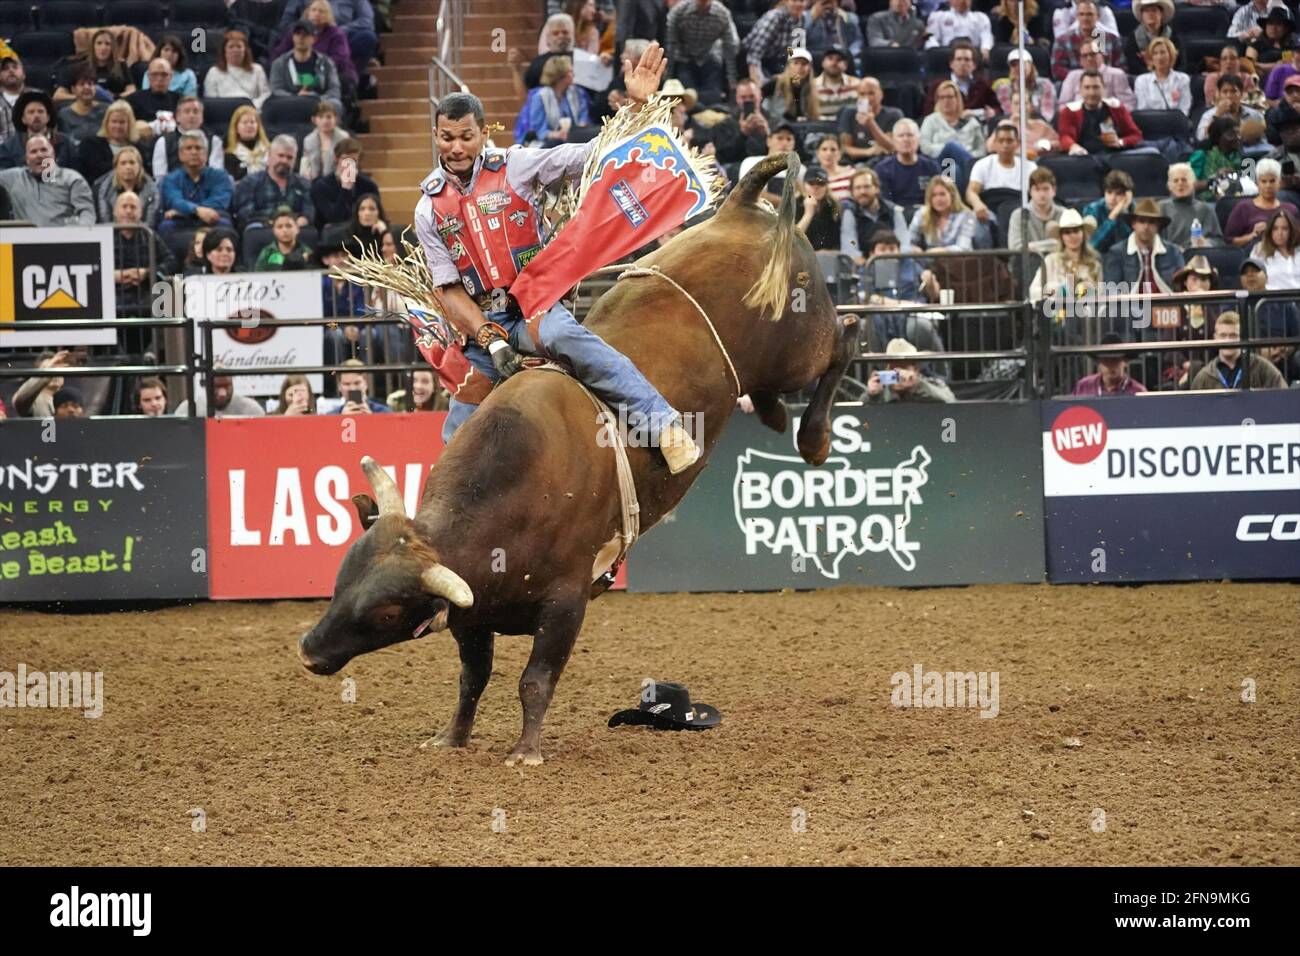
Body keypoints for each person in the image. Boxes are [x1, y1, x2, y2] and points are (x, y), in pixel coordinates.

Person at [416, 47, 702, 471]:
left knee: (572, 342)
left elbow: (592, 155)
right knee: (458, 425)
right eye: (446, 137)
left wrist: (636, 105)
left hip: (532, 305)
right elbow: (448, 290)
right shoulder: (427, 208)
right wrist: (489, 339)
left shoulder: (517, 165)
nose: (456, 147)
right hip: (483, 327)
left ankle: (664, 427)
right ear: (436, 135)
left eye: (466, 136)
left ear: (482, 133)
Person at [0, 135, 95, 225]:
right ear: (27, 159)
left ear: (53, 155)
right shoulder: (13, 178)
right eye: (33, 151)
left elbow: (87, 213)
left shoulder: (72, 179)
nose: (39, 155)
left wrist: (79, 235)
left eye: (44, 150)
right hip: (24, 240)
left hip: (63, 238)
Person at [273, 2, 359, 95]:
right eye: (313, 10)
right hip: (297, 71)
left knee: (342, 81)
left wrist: (315, 73)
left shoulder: (336, 34)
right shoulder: (295, 31)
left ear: (328, 15)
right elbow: (279, 53)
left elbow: (340, 60)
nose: (317, 13)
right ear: (308, 13)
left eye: (321, 11)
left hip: (327, 72)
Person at [233, 135, 314, 232]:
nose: (284, 161)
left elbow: (309, 210)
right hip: (262, 228)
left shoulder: (303, 183)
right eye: (280, 155)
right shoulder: (250, 181)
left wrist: (301, 221)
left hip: (295, 229)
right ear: (269, 156)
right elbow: (245, 213)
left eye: (289, 158)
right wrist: (274, 224)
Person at [664, 0, 738, 107]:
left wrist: (732, 81)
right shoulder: (679, 11)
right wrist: (668, 77)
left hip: (709, 57)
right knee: (688, 96)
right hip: (684, 57)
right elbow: (671, 44)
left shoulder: (722, 14)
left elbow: (729, 47)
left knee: (713, 98)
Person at [1104, 198, 1186, 294]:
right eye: (1142, 221)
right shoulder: (1117, 253)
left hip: (1167, 306)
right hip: (1130, 306)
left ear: (1158, 226)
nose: (1146, 227)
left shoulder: (1173, 252)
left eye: (1151, 222)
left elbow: (1182, 288)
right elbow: (1111, 292)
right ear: (1133, 224)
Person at [159, 130, 234, 235]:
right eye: (189, 148)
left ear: (206, 154)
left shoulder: (220, 176)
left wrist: (188, 211)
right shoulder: (171, 179)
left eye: (198, 148)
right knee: (165, 228)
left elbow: (220, 202)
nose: (194, 152)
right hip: (181, 222)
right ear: (180, 154)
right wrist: (197, 211)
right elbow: (175, 201)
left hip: (212, 218)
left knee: (225, 226)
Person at [1190, 310, 1288, 389]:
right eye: (1223, 335)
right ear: (1215, 337)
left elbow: (1283, 398)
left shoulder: (1262, 368)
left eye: (1233, 335)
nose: (1228, 340)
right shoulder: (1204, 377)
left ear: (1242, 337)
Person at [966, 122, 1037, 232]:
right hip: (990, 210)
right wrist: (977, 204)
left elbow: (1036, 193)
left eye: (1009, 141)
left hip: (1018, 209)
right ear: (995, 143)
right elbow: (971, 192)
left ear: (1017, 143)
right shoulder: (982, 164)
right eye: (1001, 141)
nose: (1005, 145)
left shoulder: (1030, 167)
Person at [1057, 72, 1144, 161]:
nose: (1091, 93)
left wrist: (1120, 142)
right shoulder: (1070, 111)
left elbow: (1136, 135)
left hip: (1115, 156)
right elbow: (1064, 137)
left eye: (1096, 87)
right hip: (1083, 158)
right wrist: (1073, 146)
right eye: (1087, 88)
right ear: (1080, 90)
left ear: (1103, 88)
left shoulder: (1117, 108)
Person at [269, 19, 346, 119]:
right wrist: (297, 98)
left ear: (314, 39)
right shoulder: (279, 63)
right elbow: (277, 90)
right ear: (293, 37)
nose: (301, 38)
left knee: (336, 105)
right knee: (271, 105)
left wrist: (314, 99)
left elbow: (334, 90)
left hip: (319, 103)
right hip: (290, 103)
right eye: (297, 34)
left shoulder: (326, 62)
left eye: (305, 34)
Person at [919, 80, 986, 192]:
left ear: (957, 99)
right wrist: (949, 148)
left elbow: (981, 149)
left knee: (955, 169)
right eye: (942, 97)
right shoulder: (930, 120)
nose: (946, 101)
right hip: (939, 163)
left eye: (950, 97)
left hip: (958, 167)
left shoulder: (971, 122)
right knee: (951, 147)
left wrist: (964, 152)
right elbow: (925, 147)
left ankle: (956, 204)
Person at [514, 55, 592, 145]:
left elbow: (583, 118)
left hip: (575, 137)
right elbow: (538, 130)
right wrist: (557, 135)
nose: (573, 74)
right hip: (548, 141)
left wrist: (578, 132)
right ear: (560, 76)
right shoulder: (540, 97)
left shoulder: (577, 92)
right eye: (570, 72)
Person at [841, 167, 911, 266]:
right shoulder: (850, 213)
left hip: (895, 262)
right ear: (852, 192)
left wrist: (892, 259)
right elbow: (849, 246)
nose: (862, 192)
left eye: (867, 187)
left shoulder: (893, 210)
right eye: (858, 188)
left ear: (876, 188)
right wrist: (866, 263)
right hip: (864, 266)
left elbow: (904, 244)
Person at [1030, 208, 1104, 301]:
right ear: (1061, 236)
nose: (1072, 236)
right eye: (1067, 232)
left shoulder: (1094, 264)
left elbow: (1101, 297)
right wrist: (1058, 289)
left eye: (1076, 231)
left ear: (1083, 233)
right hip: (1056, 312)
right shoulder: (1050, 261)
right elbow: (1033, 292)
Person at [1224, 158, 1298, 245]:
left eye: (1272, 181)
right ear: (1257, 184)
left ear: (1280, 183)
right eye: (1264, 181)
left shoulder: (1291, 209)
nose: (1268, 186)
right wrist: (1253, 235)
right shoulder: (1243, 208)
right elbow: (1230, 242)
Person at [311, 137, 379, 228]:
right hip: (331, 235)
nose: (348, 165)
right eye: (345, 159)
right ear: (336, 158)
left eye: (353, 161)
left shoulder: (369, 186)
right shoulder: (321, 186)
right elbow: (334, 218)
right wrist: (346, 189)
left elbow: (375, 216)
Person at [0, 90, 77, 170]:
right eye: (31, 112)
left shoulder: (65, 143)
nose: (36, 115)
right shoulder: (9, 147)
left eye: (40, 111)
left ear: (48, 117)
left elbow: (76, 172)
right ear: (23, 119)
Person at [52, 28, 135, 103]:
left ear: (112, 48)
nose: (103, 48)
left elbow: (132, 90)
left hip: (113, 106)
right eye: (99, 43)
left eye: (107, 44)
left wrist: (116, 96)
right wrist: (81, 97)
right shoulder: (79, 67)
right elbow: (58, 96)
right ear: (93, 46)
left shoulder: (121, 65)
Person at [875, 118, 942, 208]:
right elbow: (885, 203)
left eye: (910, 135)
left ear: (918, 139)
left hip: (927, 216)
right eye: (901, 136)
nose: (905, 139)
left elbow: (939, 198)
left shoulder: (932, 166)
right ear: (894, 141)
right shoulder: (883, 169)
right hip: (896, 217)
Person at [151, 97, 223, 179]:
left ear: (202, 117)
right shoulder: (164, 141)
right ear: (177, 117)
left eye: (195, 112)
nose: (191, 115)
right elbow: (160, 176)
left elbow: (216, 173)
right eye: (187, 111)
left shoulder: (214, 140)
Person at [866, 338, 955, 403]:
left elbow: (951, 402)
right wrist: (871, 395)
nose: (899, 373)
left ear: (916, 369)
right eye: (894, 368)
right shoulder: (881, 389)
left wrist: (917, 385)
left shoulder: (932, 385)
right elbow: (862, 418)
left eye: (904, 367)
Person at [1051, 0, 1122, 82]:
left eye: (1089, 14)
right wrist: (1082, 78)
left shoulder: (1108, 38)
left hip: (1107, 83)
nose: (1085, 18)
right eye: (1081, 14)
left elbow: (1120, 65)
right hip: (1074, 84)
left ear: (1098, 16)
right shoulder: (1063, 40)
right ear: (1077, 17)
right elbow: (1057, 69)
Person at [921, 41, 996, 117]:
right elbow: (928, 113)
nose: (962, 63)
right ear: (951, 64)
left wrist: (989, 112)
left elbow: (996, 108)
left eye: (967, 59)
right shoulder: (938, 85)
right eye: (959, 59)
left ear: (974, 65)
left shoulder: (983, 84)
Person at [1159, 163, 1224, 251]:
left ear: (1193, 183)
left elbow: (1218, 241)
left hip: (1199, 256)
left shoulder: (1205, 209)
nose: (1180, 183)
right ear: (1169, 186)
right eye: (1175, 181)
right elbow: (1154, 240)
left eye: (1184, 180)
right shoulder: (1160, 208)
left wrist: (1205, 243)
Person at [75, 99, 141, 185]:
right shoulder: (91, 145)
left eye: (122, 122)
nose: (117, 126)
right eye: (114, 122)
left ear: (129, 125)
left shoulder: (139, 148)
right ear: (106, 123)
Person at [1059, 40, 1136, 112]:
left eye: (1093, 54)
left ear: (1102, 55)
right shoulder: (1072, 76)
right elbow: (1063, 105)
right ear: (1080, 60)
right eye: (1085, 55)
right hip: (1078, 119)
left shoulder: (1116, 74)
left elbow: (1129, 104)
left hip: (1109, 119)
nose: (1089, 58)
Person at [837, 76, 902, 163]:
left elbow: (891, 148)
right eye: (862, 94)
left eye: (871, 93)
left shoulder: (894, 114)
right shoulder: (849, 113)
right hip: (855, 162)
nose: (867, 98)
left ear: (881, 94)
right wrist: (868, 152)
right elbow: (845, 148)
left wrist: (871, 123)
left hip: (884, 161)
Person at [743, 0, 806, 86]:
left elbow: (792, 51)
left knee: (795, 82)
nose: (798, 4)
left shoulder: (801, 19)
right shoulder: (775, 17)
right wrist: (757, 83)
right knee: (767, 87)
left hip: (775, 60)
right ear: (787, 2)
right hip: (751, 60)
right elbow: (754, 53)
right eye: (794, 1)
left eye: (801, 1)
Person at [1239, 255, 1300, 340]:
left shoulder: (1284, 304)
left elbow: (1297, 337)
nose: (1250, 275)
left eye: (1255, 270)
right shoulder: (1233, 306)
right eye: (1245, 272)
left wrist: (1284, 348)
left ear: (1267, 278)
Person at [908, 176, 976, 252]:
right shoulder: (922, 213)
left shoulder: (966, 215)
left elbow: (964, 248)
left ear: (952, 196)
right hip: (928, 261)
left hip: (957, 261)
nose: (938, 199)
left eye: (942, 194)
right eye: (934, 195)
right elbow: (908, 242)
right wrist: (914, 249)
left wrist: (941, 251)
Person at [93, 145, 158, 225]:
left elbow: (151, 221)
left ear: (140, 166)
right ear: (116, 167)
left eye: (132, 162)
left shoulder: (151, 190)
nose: (128, 167)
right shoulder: (102, 190)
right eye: (123, 163)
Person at [204, 30, 271, 107]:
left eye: (239, 47)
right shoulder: (214, 72)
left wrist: (252, 106)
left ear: (245, 50)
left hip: (251, 112)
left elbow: (265, 94)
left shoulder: (257, 70)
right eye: (231, 47)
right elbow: (211, 99)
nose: (235, 50)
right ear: (224, 51)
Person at [1007, 167, 1065, 254]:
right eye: (1037, 189)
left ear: (1054, 191)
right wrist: (1053, 244)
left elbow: (1068, 245)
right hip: (1028, 265)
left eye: (1046, 189)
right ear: (1030, 192)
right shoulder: (1018, 215)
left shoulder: (1064, 214)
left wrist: (1031, 246)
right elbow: (1015, 247)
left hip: (1057, 264)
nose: (1042, 194)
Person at [1195, 74, 1264, 144]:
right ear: (1219, 94)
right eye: (1225, 92)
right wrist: (1217, 115)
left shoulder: (1255, 115)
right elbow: (1201, 138)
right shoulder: (1209, 115)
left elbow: (1263, 141)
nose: (1229, 96)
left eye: (1234, 91)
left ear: (1241, 94)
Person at [1072, 332, 1147, 396]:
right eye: (1106, 360)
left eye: (1115, 360)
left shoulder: (1138, 391)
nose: (1110, 365)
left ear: (1125, 362)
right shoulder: (1083, 386)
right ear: (1099, 362)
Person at [1134, 38, 1192, 117]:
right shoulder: (1141, 81)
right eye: (1155, 53)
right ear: (1151, 58)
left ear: (1171, 55)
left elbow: (1184, 109)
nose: (1159, 57)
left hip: (1175, 124)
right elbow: (1142, 110)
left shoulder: (1182, 79)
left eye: (1163, 52)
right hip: (1150, 123)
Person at [1124, 0, 1183, 77]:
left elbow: (1181, 63)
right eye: (1146, 11)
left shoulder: (1173, 35)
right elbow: (1132, 64)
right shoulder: (1102, 33)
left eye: (1154, 10)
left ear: (1161, 14)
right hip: (1143, 79)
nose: (1150, 14)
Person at [1083, 169, 1135, 254]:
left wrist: (1124, 213)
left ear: (1127, 195)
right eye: (1109, 192)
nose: (1112, 198)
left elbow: (1132, 245)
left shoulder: (1134, 209)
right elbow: (1092, 246)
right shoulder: (1092, 210)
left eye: (1118, 194)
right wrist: (1112, 218)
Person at [993, 50, 1054, 122]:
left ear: (1031, 65)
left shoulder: (1045, 84)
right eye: (1014, 65)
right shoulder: (1004, 88)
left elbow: (1047, 113)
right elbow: (1009, 112)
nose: (1018, 68)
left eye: (1022, 63)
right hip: (1014, 124)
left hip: (1040, 124)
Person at [173, 371, 267, 417]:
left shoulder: (252, 410)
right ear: (206, 386)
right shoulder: (187, 408)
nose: (222, 393)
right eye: (216, 386)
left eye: (226, 386)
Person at [924, 0, 992, 62]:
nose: (962, 1)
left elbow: (986, 36)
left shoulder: (981, 18)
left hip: (973, 56)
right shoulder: (938, 17)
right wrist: (936, 53)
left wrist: (985, 48)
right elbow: (931, 38)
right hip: (946, 56)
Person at [761, 47, 816, 124]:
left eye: (804, 64)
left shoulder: (810, 88)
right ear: (789, 66)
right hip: (774, 126)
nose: (800, 67)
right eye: (796, 63)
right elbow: (757, 97)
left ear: (810, 68)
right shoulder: (777, 82)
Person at [299, 102, 351, 181]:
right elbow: (305, 167)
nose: (325, 121)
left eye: (329, 117)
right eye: (321, 117)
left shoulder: (344, 138)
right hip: (315, 183)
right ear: (314, 120)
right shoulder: (308, 140)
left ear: (336, 119)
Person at [1249, 207, 1300, 287]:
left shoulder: (1298, 250)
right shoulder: (1260, 250)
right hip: (1273, 298)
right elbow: (1253, 282)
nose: (1280, 233)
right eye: (1275, 229)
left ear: (1291, 231)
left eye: (1285, 229)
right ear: (1270, 231)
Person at [794, 166, 840, 250]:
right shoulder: (793, 205)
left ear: (826, 187)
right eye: (811, 183)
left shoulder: (833, 206)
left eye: (820, 183)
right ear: (804, 185)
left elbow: (838, 241)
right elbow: (791, 240)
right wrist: (808, 214)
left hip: (828, 257)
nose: (816, 188)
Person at [255, 206, 314, 271]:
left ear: (297, 229)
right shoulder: (267, 253)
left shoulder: (306, 252)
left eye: (289, 226)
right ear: (274, 230)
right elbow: (258, 276)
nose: (284, 230)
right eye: (279, 227)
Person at [56, 71, 107, 145]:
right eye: (82, 84)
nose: (86, 87)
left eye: (90, 84)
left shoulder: (107, 109)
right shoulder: (64, 114)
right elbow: (66, 141)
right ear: (73, 89)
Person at [224, 105, 271, 182]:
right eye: (245, 122)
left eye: (252, 122)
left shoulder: (269, 151)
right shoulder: (230, 155)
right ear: (236, 128)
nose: (249, 126)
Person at [126, 59, 180, 124]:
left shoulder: (180, 101)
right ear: (148, 76)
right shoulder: (133, 100)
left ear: (171, 77)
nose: (159, 79)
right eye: (155, 74)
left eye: (164, 74)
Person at [0, 54, 40, 142]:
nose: (11, 71)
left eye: (15, 67)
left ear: (24, 74)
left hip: (35, 147)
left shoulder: (38, 96)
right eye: (5, 69)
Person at [811, 48, 858, 122]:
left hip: (849, 128)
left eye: (839, 60)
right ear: (823, 63)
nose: (834, 62)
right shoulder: (811, 86)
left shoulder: (857, 84)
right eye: (830, 59)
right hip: (821, 127)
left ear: (845, 65)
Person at [344, 192, 387, 257]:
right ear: (357, 213)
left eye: (372, 209)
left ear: (379, 213)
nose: (367, 213)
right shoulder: (348, 233)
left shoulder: (388, 231)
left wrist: (384, 233)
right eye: (362, 209)